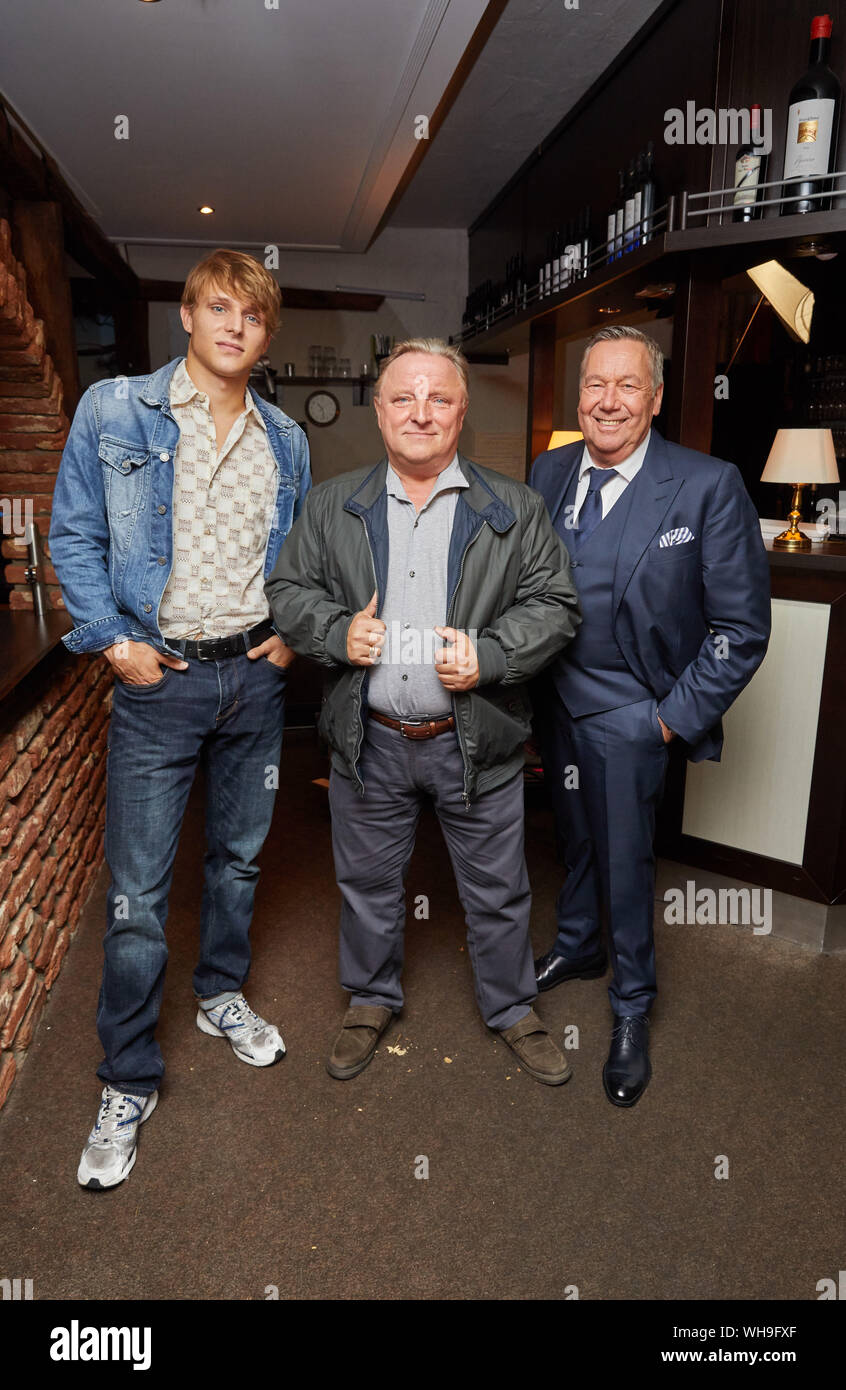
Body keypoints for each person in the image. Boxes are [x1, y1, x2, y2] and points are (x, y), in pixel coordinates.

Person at [50, 250, 311, 1187]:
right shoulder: (115, 408)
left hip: (254, 678)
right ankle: (126, 1078)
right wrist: (113, 641)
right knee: (138, 898)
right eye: (218, 308)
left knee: (240, 858)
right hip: (156, 683)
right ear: (189, 319)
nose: (235, 327)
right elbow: (73, 531)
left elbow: (298, 556)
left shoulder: (286, 437)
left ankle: (220, 994)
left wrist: (287, 635)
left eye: (253, 315)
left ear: (266, 333)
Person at [265, 338, 580, 1084]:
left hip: (475, 741)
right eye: (402, 397)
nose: (421, 412)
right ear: (378, 413)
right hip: (368, 739)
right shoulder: (331, 504)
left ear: (461, 412)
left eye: (440, 398)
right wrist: (339, 633)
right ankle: (372, 997)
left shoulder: (514, 509)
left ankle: (511, 1008)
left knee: (499, 891)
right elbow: (287, 593)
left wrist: (493, 656)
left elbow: (556, 605)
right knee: (368, 884)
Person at [529, 325, 770, 1107]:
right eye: (595, 384)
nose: (608, 401)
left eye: (627, 386)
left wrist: (666, 722)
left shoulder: (707, 485)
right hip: (557, 705)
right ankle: (577, 945)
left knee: (628, 869)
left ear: (656, 397)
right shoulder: (549, 469)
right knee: (573, 840)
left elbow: (742, 631)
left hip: (635, 715)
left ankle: (631, 1009)